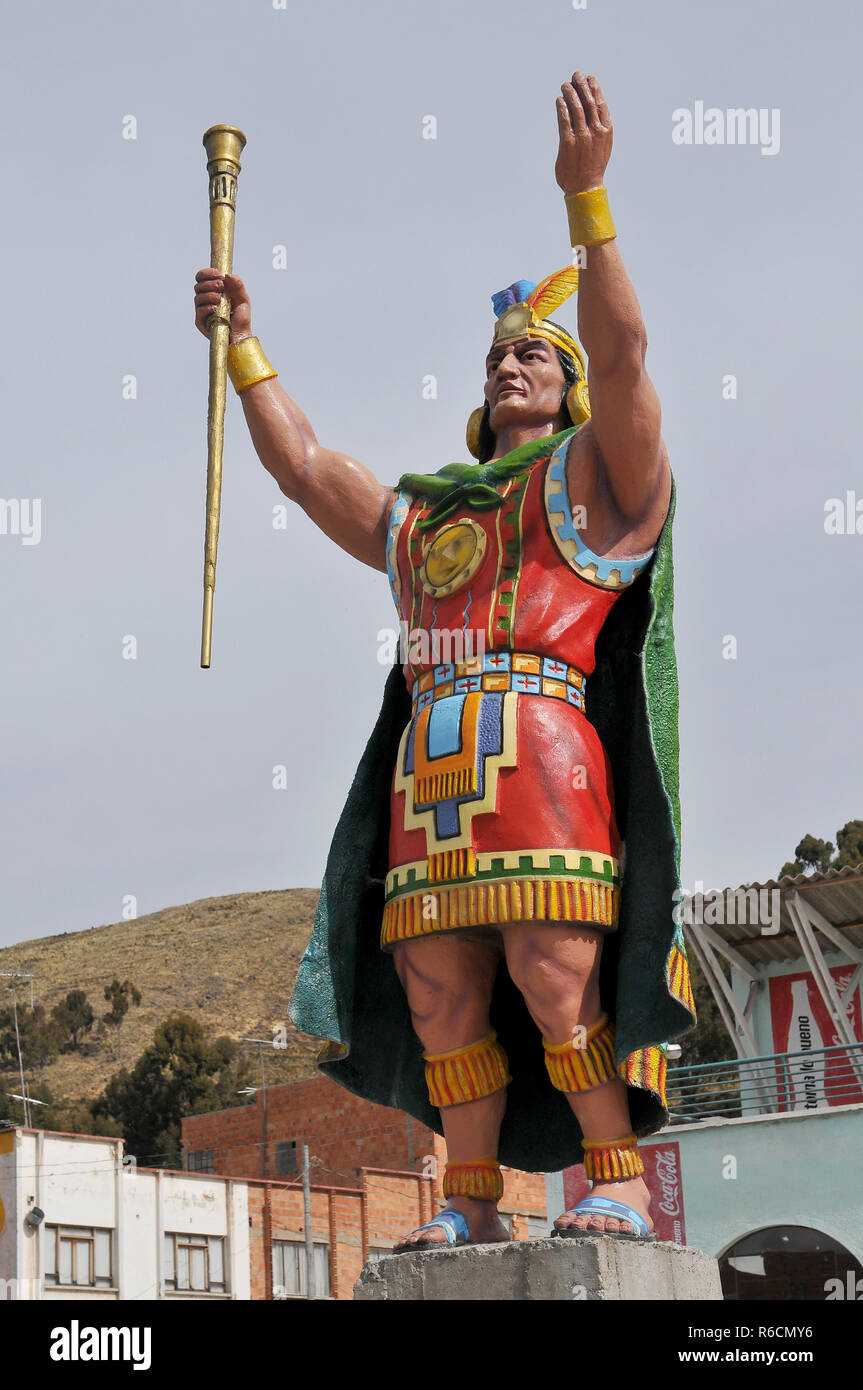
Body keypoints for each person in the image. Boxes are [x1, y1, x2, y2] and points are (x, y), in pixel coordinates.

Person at [194, 72, 695, 1252]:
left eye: (533, 350)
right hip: (436, 777)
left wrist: (588, 204)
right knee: (437, 994)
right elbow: (307, 468)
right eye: (497, 351)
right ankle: (468, 1195)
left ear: (562, 385)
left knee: (554, 975)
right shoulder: (425, 519)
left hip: (543, 751)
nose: (511, 362)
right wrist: (243, 347)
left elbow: (624, 356)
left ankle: (608, 1180)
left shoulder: (600, 485)